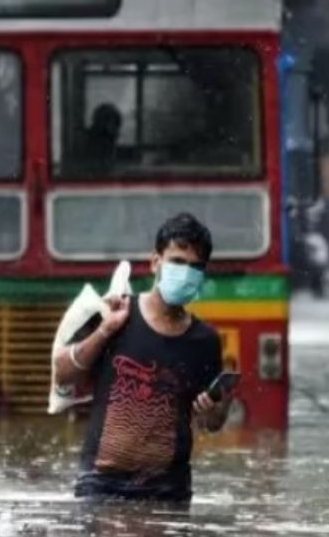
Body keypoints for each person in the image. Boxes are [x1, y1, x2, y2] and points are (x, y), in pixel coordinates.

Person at [56, 213, 230, 503]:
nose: (186, 273)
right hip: (100, 485)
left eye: (195, 267)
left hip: (168, 491)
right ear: (155, 262)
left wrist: (215, 410)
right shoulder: (116, 313)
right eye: (177, 261)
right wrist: (104, 330)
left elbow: (213, 422)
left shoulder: (205, 341)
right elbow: (62, 374)